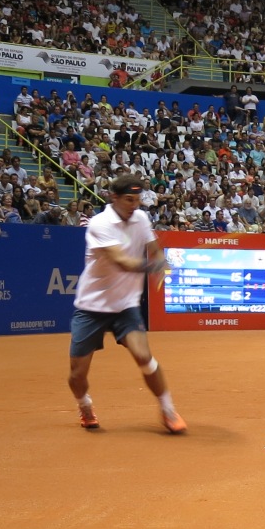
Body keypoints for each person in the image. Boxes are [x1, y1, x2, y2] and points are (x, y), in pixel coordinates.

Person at [66, 175, 186, 434]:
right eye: (129, 200)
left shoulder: (141, 218)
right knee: (77, 375)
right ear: (114, 198)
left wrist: (160, 261)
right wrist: (155, 266)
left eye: (138, 200)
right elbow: (122, 262)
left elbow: (153, 248)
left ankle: (167, 409)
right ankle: (84, 405)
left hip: (126, 306)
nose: (134, 205)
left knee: (144, 357)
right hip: (92, 307)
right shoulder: (99, 224)